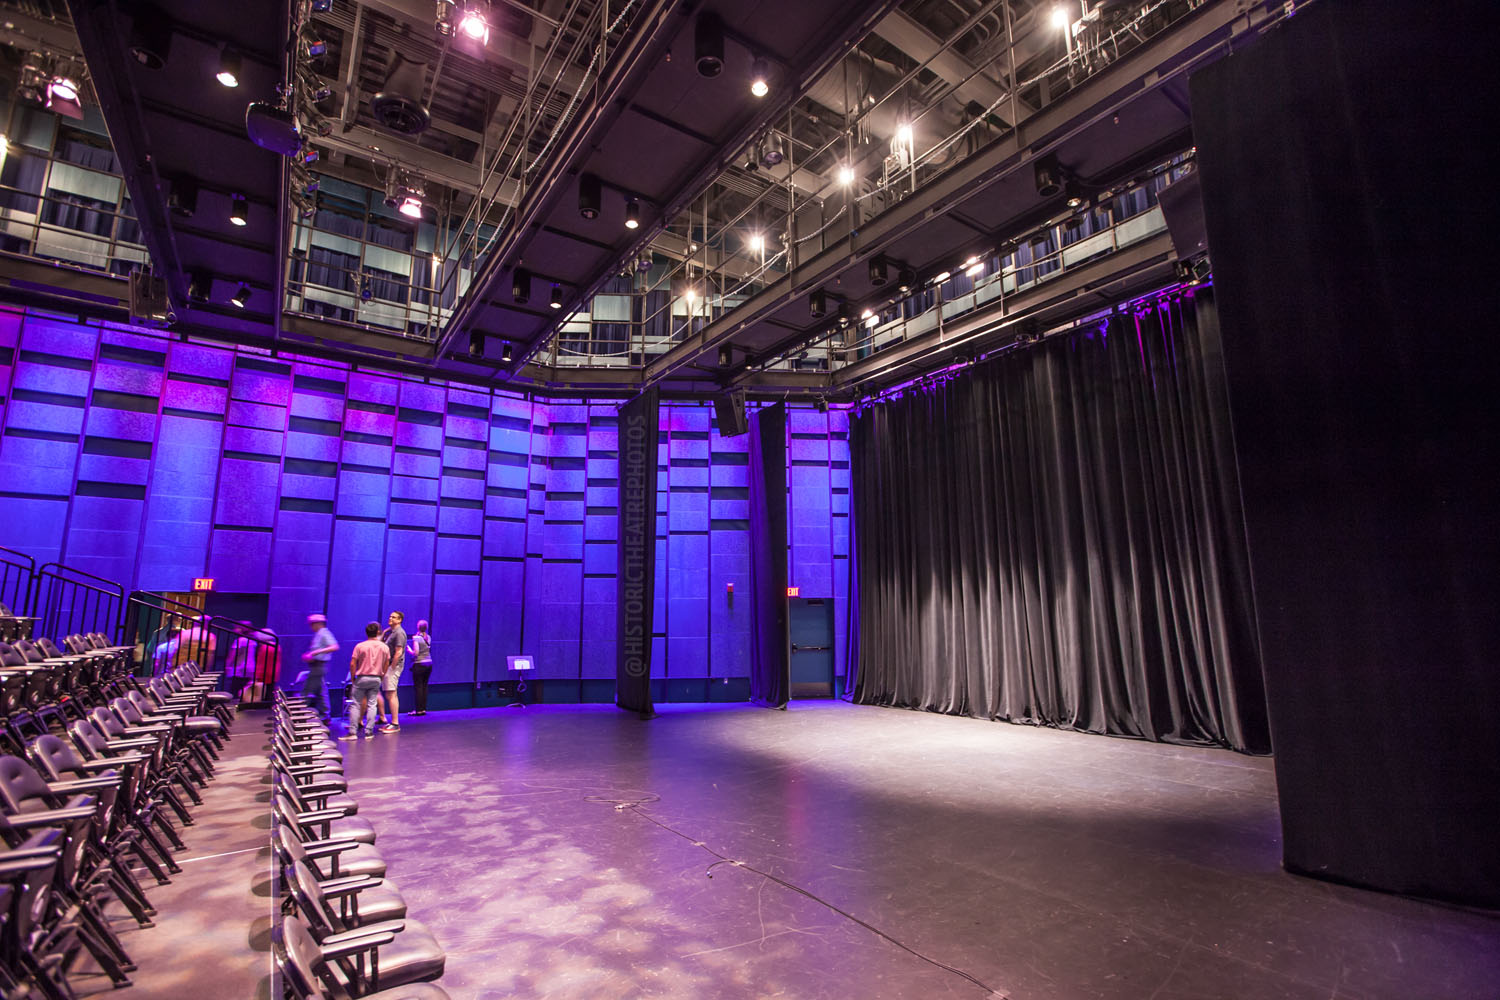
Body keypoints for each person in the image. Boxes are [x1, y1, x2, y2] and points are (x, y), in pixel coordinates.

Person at [340, 622, 389, 741]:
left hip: (361, 677)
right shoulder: (384, 647)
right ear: (378, 632)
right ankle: (369, 732)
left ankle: (352, 732)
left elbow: (353, 663)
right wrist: (382, 675)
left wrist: (353, 678)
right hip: (376, 678)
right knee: (372, 704)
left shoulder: (360, 646)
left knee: (356, 705)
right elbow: (387, 663)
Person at [301, 614, 339, 717]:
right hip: (315, 665)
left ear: (318, 624)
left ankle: (301, 712)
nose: (311, 627)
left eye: (312, 624)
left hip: (319, 666)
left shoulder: (324, 633)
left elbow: (334, 646)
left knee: (308, 690)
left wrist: (316, 652)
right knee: (320, 691)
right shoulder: (318, 634)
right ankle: (325, 714)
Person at [376, 610, 406, 732]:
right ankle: (393, 722)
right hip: (389, 666)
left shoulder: (399, 633)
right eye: (390, 616)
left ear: (399, 620)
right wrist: (384, 632)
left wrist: (391, 667)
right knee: (389, 694)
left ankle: (395, 723)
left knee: (391, 693)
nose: (390, 618)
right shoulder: (392, 632)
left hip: (393, 667)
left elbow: (398, 652)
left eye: (394, 617)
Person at [408, 619, 433, 716]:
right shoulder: (429, 637)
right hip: (429, 663)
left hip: (419, 664)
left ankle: (418, 710)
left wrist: (410, 650)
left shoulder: (416, 638)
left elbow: (416, 653)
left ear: (418, 627)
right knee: (424, 686)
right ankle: (423, 709)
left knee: (418, 687)